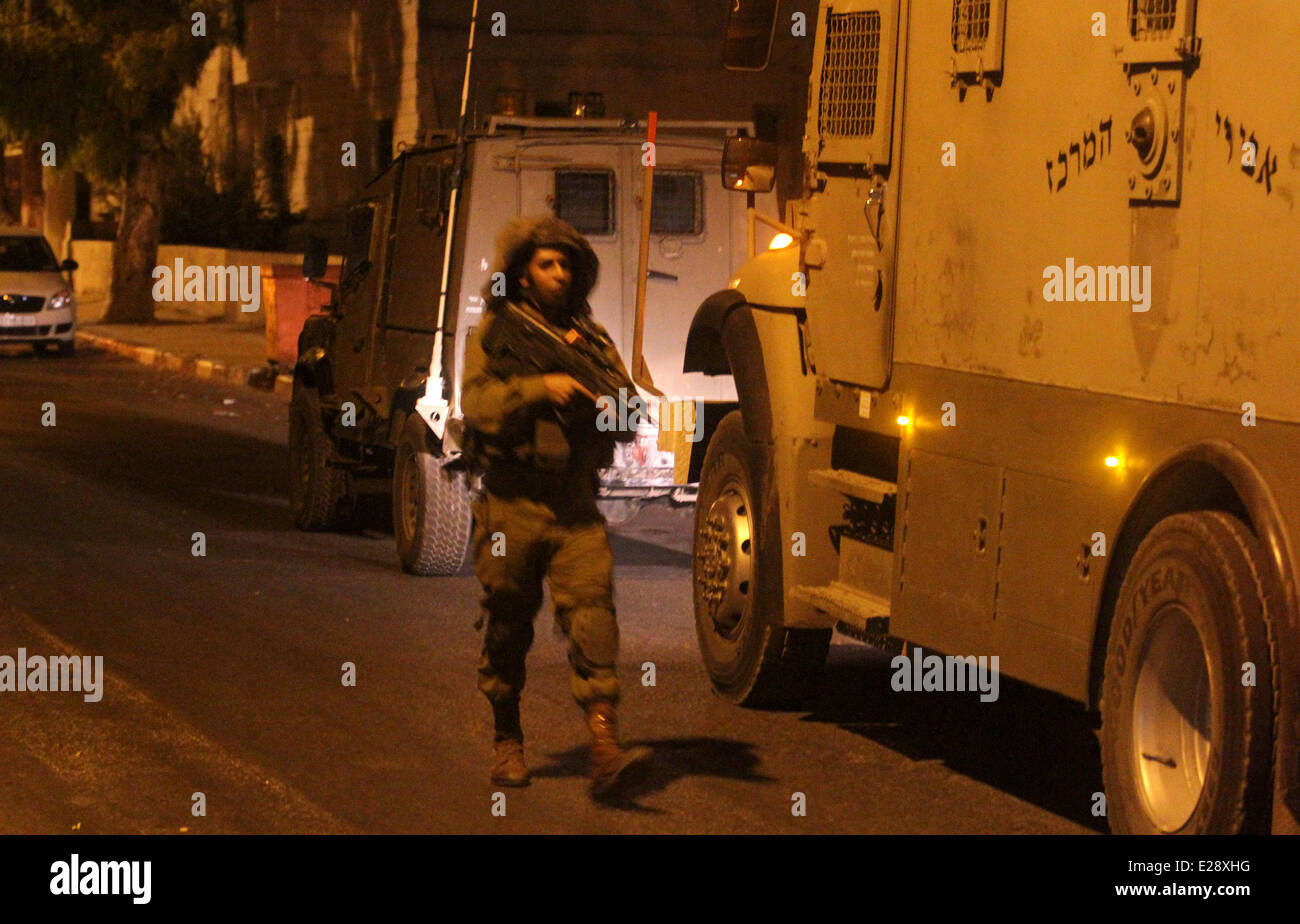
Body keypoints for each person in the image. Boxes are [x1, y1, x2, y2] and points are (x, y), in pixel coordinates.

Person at [461, 215, 650, 797]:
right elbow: (478, 404)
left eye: (567, 264)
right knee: (508, 621)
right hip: (512, 499)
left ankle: (603, 745)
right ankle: (507, 740)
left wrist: (600, 410)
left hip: (573, 503)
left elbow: (630, 415)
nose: (560, 274)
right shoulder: (495, 335)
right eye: (547, 264)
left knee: (593, 616)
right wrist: (539, 390)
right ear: (520, 277)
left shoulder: (591, 343)